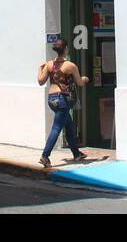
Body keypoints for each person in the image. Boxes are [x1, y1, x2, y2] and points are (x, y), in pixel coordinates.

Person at [36, 38, 89, 168]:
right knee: (56, 128)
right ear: (65, 49)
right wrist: (85, 78)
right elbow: (79, 83)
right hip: (62, 99)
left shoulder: (49, 64)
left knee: (69, 126)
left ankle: (76, 154)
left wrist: (39, 69)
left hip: (51, 99)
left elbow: (40, 81)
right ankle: (45, 156)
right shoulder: (70, 65)